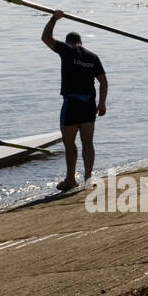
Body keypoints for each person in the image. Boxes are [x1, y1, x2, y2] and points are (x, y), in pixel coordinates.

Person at [42, 11, 108, 190]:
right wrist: (102, 104)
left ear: (69, 41)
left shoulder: (67, 49)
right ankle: (87, 179)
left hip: (71, 104)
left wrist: (54, 18)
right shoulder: (92, 57)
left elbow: (46, 38)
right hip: (88, 105)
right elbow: (103, 81)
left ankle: (70, 179)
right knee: (88, 142)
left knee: (69, 144)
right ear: (81, 42)